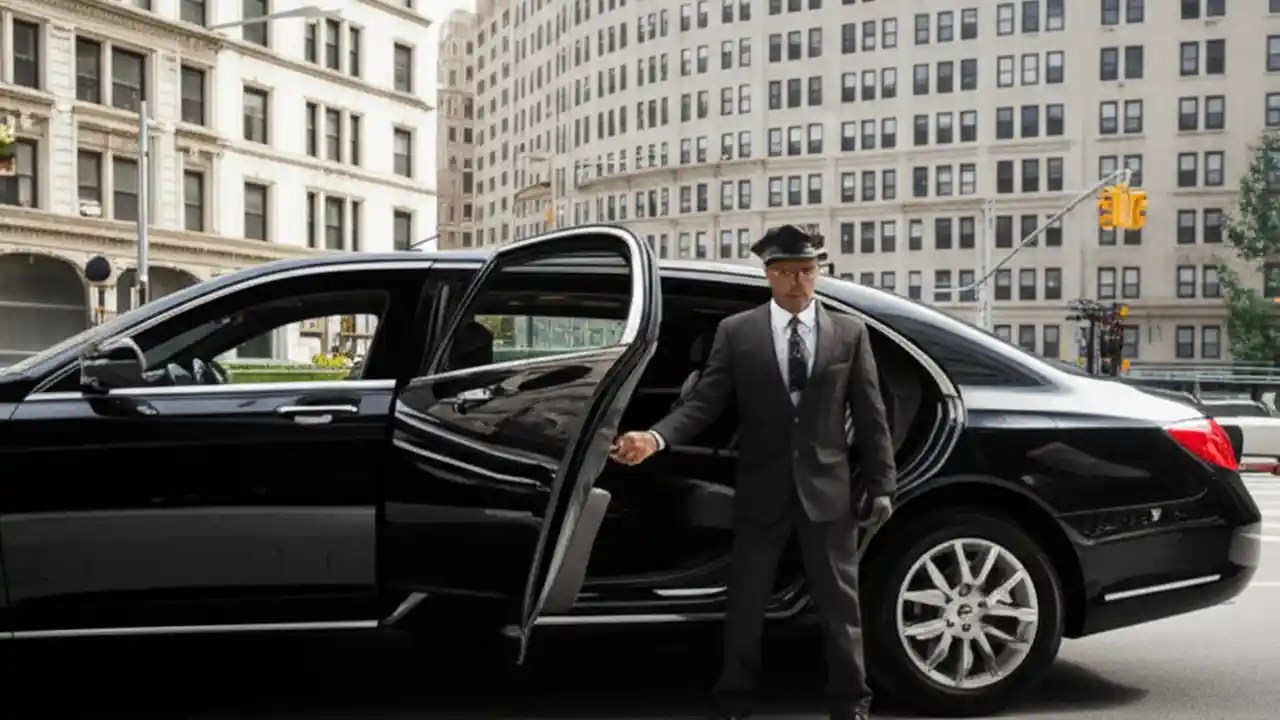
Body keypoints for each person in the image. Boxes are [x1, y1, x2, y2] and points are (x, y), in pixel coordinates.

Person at [609, 224, 896, 720]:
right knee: (745, 605)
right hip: (762, 489)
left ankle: (851, 703)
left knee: (840, 609)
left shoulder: (850, 333)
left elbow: (871, 417)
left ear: (819, 272)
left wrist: (882, 486)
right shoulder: (736, 332)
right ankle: (735, 700)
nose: (797, 282)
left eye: (806, 271)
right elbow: (703, 405)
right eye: (785, 272)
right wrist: (654, 438)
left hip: (828, 494)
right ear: (767, 275)